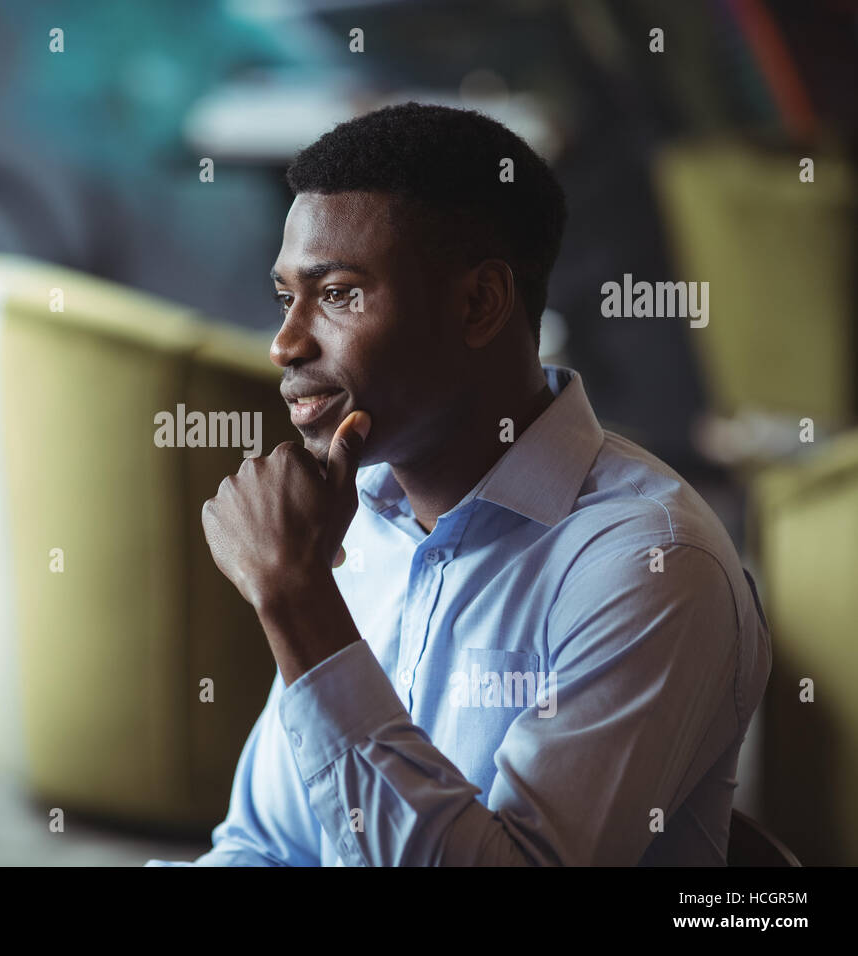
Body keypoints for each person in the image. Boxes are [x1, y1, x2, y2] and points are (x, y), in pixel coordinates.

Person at [146, 102, 771, 866]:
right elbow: (264, 845)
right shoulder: (355, 519)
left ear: (479, 303)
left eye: (338, 294)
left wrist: (299, 603)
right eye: (287, 298)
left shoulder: (651, 566)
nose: (284, 343)